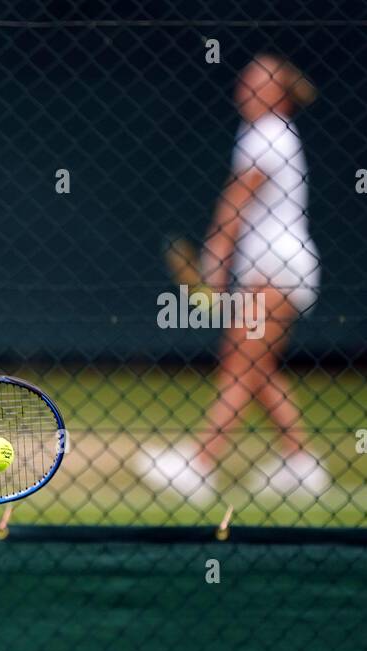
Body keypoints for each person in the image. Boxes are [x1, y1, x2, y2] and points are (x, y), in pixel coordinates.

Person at [139, 54, 327, 504]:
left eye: (258, 83)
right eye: (245, 80)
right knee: (256, 366)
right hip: (278, 268)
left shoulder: (267, 134)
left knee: (241, 363)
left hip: (276, 269)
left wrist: (214, 261)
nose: (245, 88)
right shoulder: (273, 134)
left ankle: (199, 464)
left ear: (280, 95)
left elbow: (237, 201)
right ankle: (301, 463)